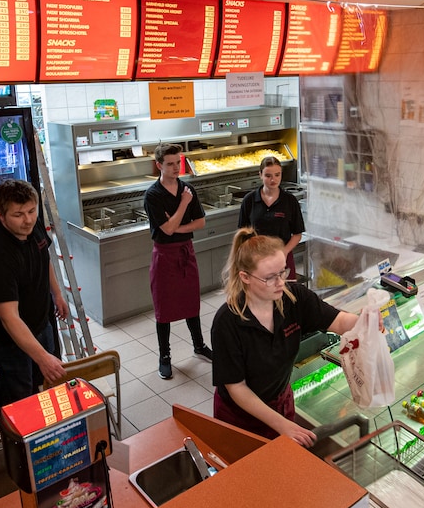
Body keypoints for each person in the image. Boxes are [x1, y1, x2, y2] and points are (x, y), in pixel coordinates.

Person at [211, 228, 362, 446]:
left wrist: (363, 323)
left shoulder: (294, 298)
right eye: (270, 278)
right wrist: (283, 425)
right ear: (245, 277)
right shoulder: (228, 322)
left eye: (283, 272)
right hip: (241, 417)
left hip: (280, 402)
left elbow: (338, 322)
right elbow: (237, 388)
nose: (280, 282)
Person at [0, 180, 69, 406]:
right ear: (0, 214)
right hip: (10, 341)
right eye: (18, 214)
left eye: (31, 211)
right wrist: (42, 358)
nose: (28, 220)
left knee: (47, 389)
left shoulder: (32, 225)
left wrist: (57, 293)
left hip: (41, 323)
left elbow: (44, 257)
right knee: (22, 399)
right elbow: (8, 318)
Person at [143, 142, 212, 380]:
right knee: (164, 310)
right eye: (170, 164)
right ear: (158, 165)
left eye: (178, 163)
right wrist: (183, 205)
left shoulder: (187, 188)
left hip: (186, 253)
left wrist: (176, 225)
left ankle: (199, 346)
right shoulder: (153, 195)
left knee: (191, 303)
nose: (175, 168)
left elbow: (200, 223)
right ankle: (165, 357)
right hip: (164, 256)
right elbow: (167, 230)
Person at [236, 156, 305, 279]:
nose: (273, 180)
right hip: (256, 257)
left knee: (285, 293)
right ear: (260, 175)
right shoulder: (249, 200)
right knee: (261, 292)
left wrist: (283, 252)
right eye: (268, 176)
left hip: (282, 255)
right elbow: (242, 233)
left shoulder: (289, 201)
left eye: (277, 175)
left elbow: (297, 234)